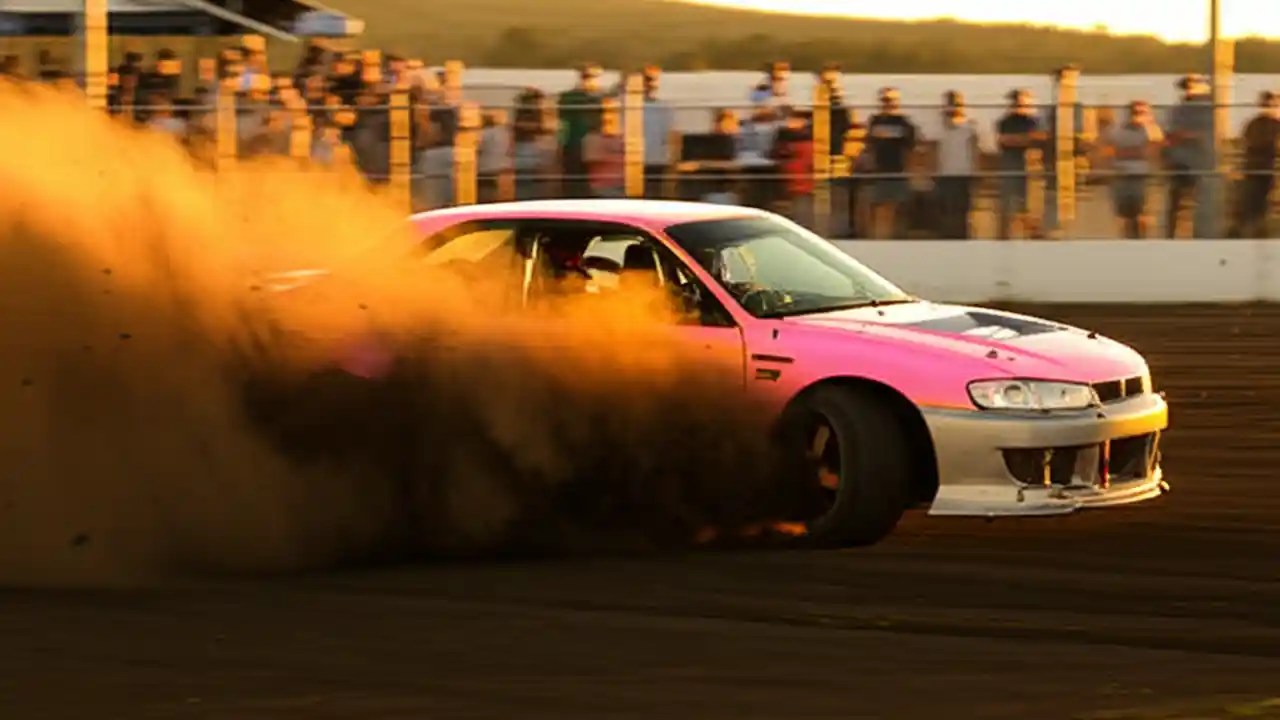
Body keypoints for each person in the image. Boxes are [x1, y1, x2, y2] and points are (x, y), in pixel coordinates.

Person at [1102, 100, 1163, 239]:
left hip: (1143, 177)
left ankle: (1142, 241)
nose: (1138, 116)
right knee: (1123, 215)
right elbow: (1106, 151)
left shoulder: (1153, 130)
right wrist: (1136, 151)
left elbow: (1153, 152)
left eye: (1143, 113)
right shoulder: (1116, 130)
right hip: (1121, 175)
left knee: (1143, 214)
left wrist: (1124, 152)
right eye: (1135, 112)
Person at [1162, 74, 1213, 238]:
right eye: (1187, 87)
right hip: (1180, 160)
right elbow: (1170, 133)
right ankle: (1171, 235)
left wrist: (1187, 135)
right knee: (1175, 201)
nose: (1189, 90)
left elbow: (1208, 133)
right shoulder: (1178, 109)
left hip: (1203, 161)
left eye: (1193, 86)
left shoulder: (1211, 108)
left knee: (1203, 201)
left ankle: (1201, 235)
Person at [865, 87, 918, 238]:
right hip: (878, 171)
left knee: (897, 210)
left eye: (893, 100)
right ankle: (878, 240)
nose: (889, 103)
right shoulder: (874, 121)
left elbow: (911, 149)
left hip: (898, 171)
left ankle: (895, 241)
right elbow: (869, 146)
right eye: (886, 100)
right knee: (878, 210)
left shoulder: (905, 123)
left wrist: (912, 173)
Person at [995, 88, 1047, 238]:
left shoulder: (1035, 121)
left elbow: (1041, 139)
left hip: (1032, 172)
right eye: (1015, 101)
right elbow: (1004, 141)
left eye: (1022, 101)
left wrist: (1023, 139)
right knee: (1009, 211)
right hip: (1011, 170)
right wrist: (1028, 139)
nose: (1018, 104)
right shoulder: (1006, 121)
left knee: (1032, 212)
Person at [934, 90, 980, 239]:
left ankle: (963, 241)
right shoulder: (938, 127)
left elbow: (976, 151)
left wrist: (977, 172)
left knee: (963, 212)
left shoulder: (970, 128)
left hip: (964, 175)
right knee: (945, 211)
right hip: (943, 175)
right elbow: (932, 150)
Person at [1236, 91, 1280, 238]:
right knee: (1258, 204)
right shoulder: (1273, 124)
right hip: (1265, 168)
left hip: (1252, 168)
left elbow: (1246, 142)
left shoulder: (1252, 124)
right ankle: (1258, 232)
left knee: (1253, 204)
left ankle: (1252, 232)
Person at [557, 62, 604, 197]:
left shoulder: (601, 97)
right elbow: (562, 121)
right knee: (572, 183)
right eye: (587, 76)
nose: (590, 80)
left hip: (595, 147)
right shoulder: (570, 97)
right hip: (574, 143)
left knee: (592, 185)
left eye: (594, 77)